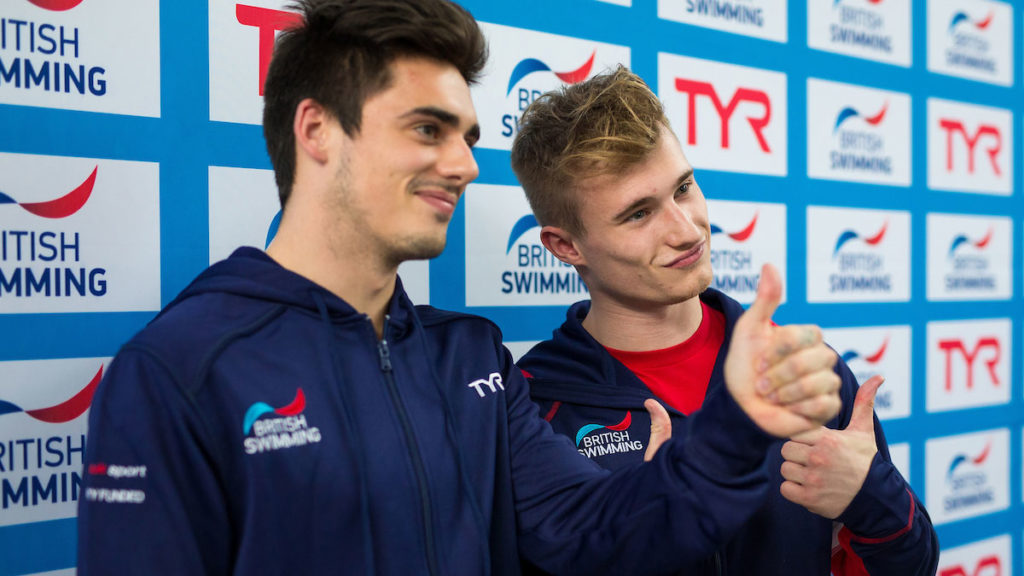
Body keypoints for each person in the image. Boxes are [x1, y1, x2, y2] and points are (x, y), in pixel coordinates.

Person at [77, 2, 844, 574]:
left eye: (468, 137)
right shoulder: (179, 370)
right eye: (426, 129)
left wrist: (742, 421)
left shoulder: (470, 359)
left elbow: (596, 530)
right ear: (316, 131)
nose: (466, 164)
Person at [511, 66, 939, 575]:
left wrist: (871, 495)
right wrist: (648, 517)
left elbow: (913, 563)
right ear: (566, 246)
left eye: (684, 188)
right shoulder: (533, 407)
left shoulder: (797, 368)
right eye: (639, 214)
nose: (686, 229)